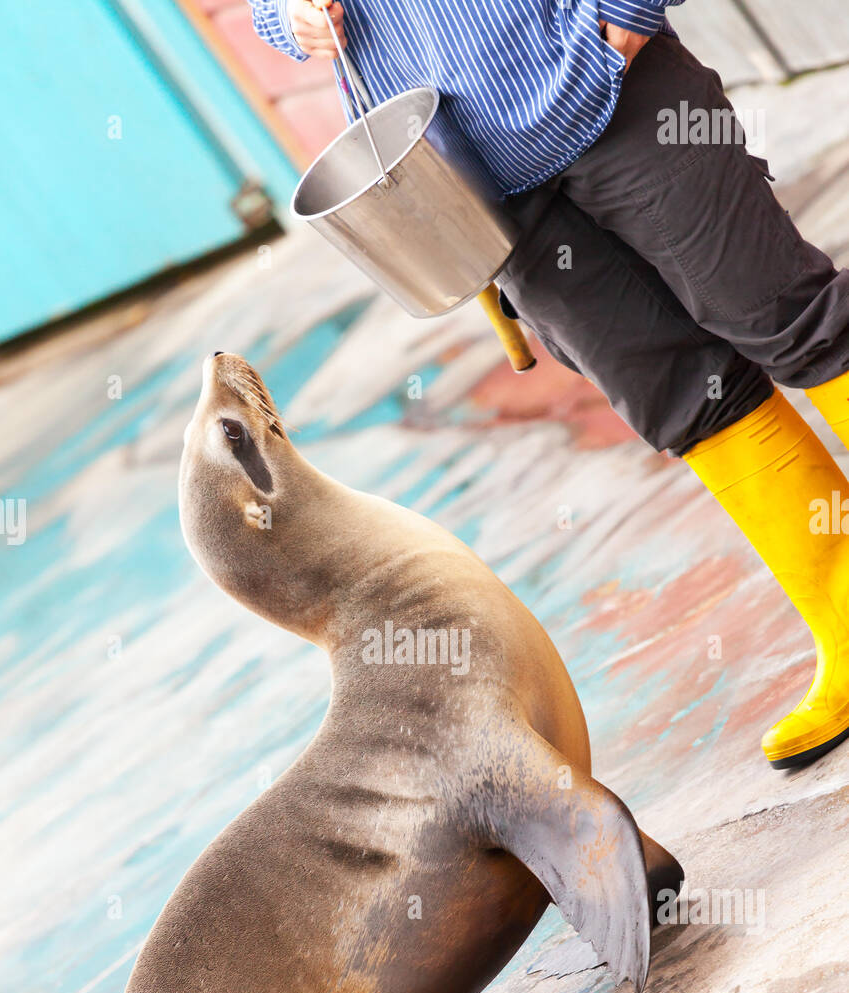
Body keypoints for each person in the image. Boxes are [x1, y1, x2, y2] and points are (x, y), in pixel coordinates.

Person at [249, 0, 849, 770]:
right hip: (464, 171)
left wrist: (627, 13)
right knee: (686, 396)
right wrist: (284, 15)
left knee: (791, 317)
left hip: (614, 87)